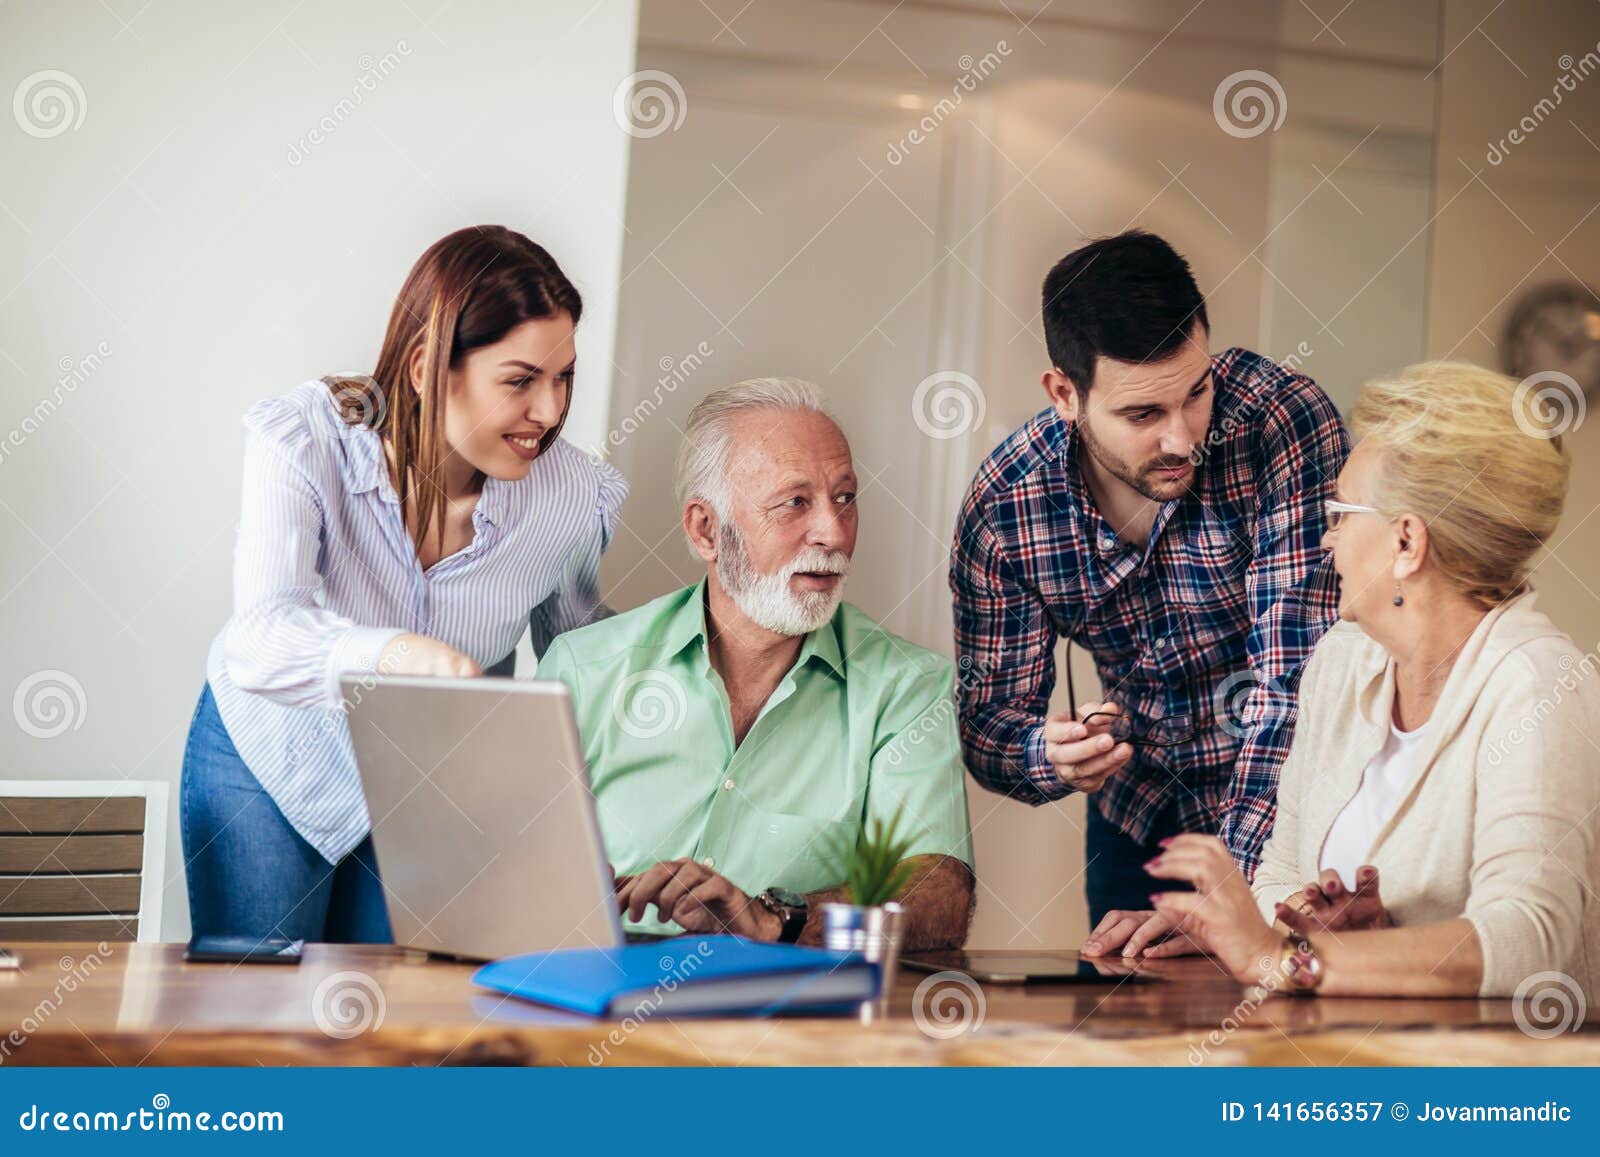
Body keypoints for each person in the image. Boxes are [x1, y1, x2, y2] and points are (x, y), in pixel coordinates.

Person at [1084, 361, 1599, 1002]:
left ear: (1407, 541)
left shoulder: (1539, 684)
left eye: (1341, 514)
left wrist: (1293, 959)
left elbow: (1528, 941)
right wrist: (1305, 929)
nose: (1327, 541)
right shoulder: (1341, 659)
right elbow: (1277, 872)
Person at [182, 225, 626, 943]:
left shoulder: (574, 497)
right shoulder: (305, 440)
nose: (549, 412)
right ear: (425, 367)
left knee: (385, 1020)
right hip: (270, 757)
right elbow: (260, 641)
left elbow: (583, 653)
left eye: (564, 377)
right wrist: (403, 657)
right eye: (519, 381)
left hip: (422, 784)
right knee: (253, 1011)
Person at [950, 230, 1348, 926]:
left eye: (1196, 393)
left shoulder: (1280, 422)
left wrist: (1230, 902)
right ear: (1064, 393)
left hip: (1291, 810)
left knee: (1287, 1028)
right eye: (1143, 414)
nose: (1183, 438)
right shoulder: (1007, 505)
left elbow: (1297, 687)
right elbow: (987, 727)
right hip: (1139, 821)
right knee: (1123, 1023)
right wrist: (1050, 755)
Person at [538, 379, 974, 950]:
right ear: (705, 529)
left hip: (789, 1025)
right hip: (596, 1008)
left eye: (845, 497)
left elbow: (938, 901)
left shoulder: (907, 687)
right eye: (796, 502)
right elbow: (505, 871)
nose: (834, 532)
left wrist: (777, 918)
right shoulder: (584, 667)